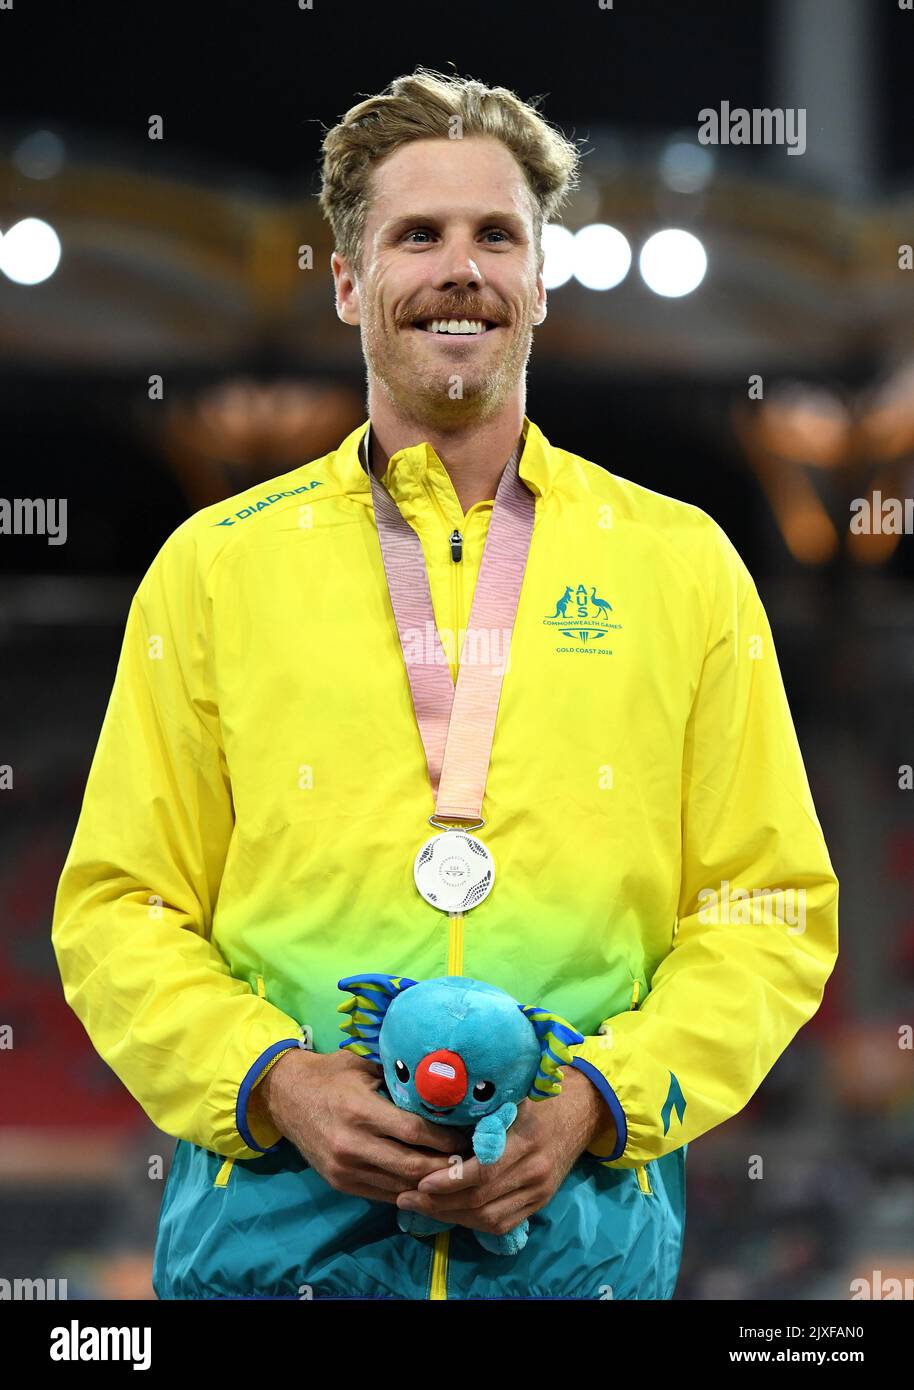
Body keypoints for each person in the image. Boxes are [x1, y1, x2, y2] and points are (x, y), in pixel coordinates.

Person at [51, 67, 839, 1301]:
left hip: (580, 1260)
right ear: (350, 281)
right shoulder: (213, 571)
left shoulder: (681, 566)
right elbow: (118, 908)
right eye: (416, 234)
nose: (458, 267)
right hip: (269, 1256)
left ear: (540, 278)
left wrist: (596, 1100)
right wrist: (271, 1080)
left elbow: (766, 907)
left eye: (495, 235)